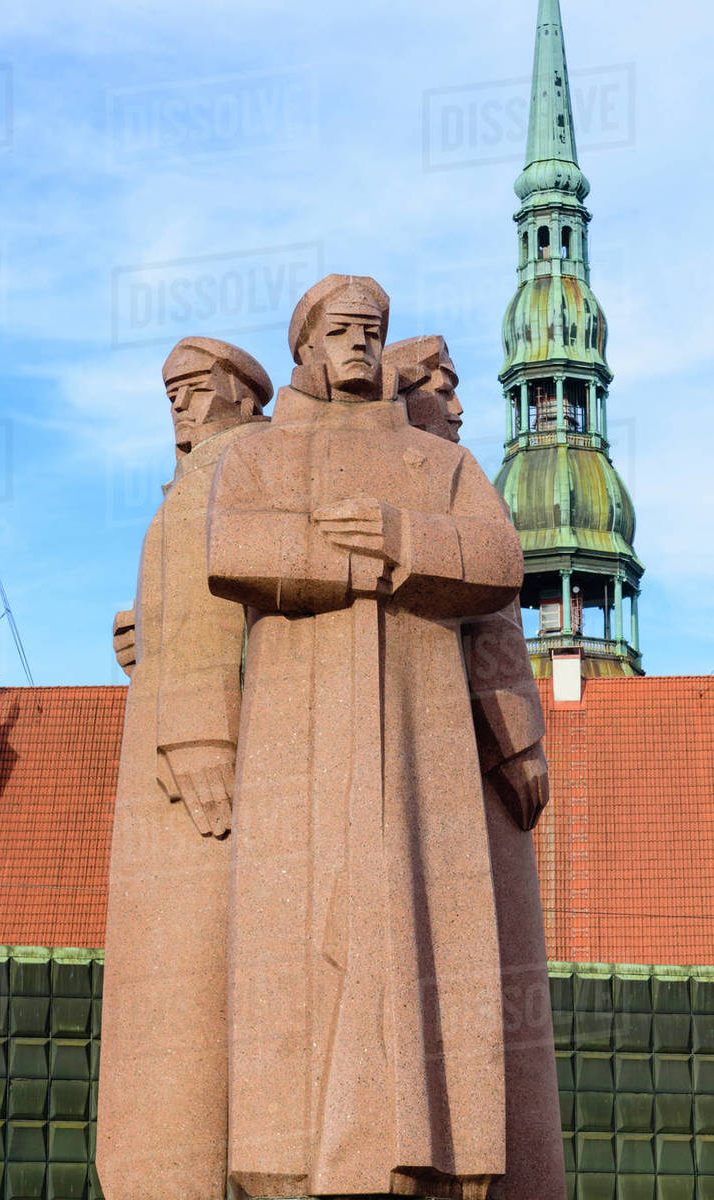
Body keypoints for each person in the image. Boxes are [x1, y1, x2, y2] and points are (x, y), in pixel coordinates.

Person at [207, 275, 527, 1200]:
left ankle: (437, 1154)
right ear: (305, 346)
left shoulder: (440, 467)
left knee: (423, 936)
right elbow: (232, 551)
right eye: (339, 332)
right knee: (299, 942)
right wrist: (349, 567)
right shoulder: (262, 458)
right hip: (294, 737)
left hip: (422, 746)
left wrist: (397, 539)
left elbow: (500, 563)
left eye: (371, 332)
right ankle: (290, 1157)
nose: (357, 345)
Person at [385, 333, 566, 1197]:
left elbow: (495, 625)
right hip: (406, 757)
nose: (457, 409)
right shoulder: (407, 482)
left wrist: (517, 738)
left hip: (463, 768)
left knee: (476, 965)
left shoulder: (458, 486)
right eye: (439, 390)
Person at [97, 336, 271, 1200]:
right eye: (170, 391)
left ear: (244, 394)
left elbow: (222, 600)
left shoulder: (236, 464)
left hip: (196, 766)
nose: (179, 404)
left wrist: (199, 722)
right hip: (165, 747)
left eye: (197, 387)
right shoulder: (197, 474)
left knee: (193, 982)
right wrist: (143, 638)